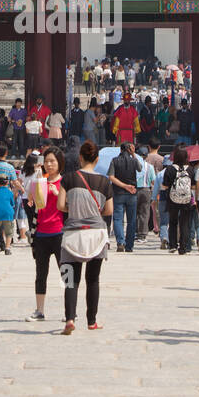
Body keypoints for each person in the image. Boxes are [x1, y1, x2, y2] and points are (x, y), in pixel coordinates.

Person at [60, 141, 114, 333]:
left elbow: (60, 205)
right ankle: (91, 321)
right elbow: (109, 211)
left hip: (72, 233)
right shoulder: (105, 182)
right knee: (93, 279)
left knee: (70, 280)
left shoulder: (68, 178)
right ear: (97, 159)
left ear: (80, 158)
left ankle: (69, 319)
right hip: (97, 235)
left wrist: (73, 208)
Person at [26, 147, 68, 323]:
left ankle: (69, 311)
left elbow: (69, 207)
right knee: (40, 274)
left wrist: (58, 194)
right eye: (47, 161)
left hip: (60, 233)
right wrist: (36, 180)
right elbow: (30, 200)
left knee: (67, 274)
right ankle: (39, 310)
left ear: (59, 163)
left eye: (53, 161)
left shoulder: (65, 183)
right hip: (41, 233)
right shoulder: (40, 180)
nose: (49, 165)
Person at [163, 145, 197, 254]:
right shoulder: (191, 170)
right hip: (186, 199)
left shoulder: (170, 169)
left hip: (172, 199)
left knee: (173, 222)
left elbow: (165, 185)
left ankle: (172, 245)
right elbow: (193, 186)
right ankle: (183, 247)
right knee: (185, 223)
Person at [108, 141, 141, 252]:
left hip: (118, 193)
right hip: (132, 193)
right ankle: (129, 245)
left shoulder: (114, 161)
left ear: (120, 150)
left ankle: (120, 242)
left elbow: (111, 177)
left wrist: (123, 186)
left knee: (118, 219)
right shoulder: (133, 160)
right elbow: (140, 168)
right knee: (131, 220)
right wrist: (134, 154)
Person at [0, 173, 18, 255]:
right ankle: (7, 249)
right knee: (9, 232)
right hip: (8, 213)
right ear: (7, 182)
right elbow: (12, 204)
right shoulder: (10, 192)